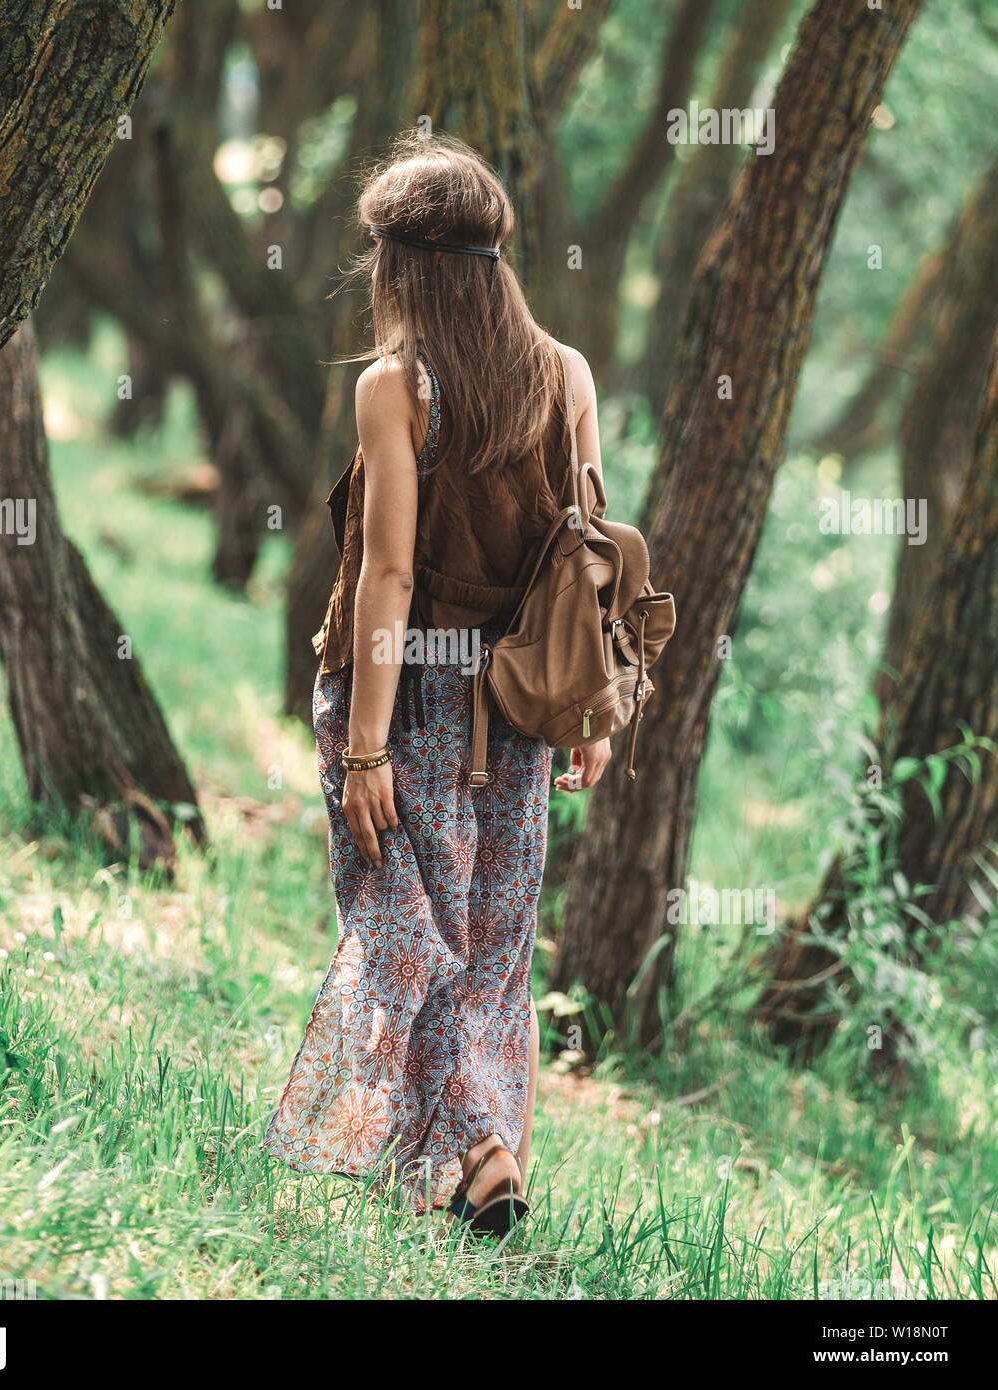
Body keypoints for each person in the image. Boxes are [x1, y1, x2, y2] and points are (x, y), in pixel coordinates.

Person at [264, 133, 612, 1233]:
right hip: (519, 706)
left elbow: (391, 572)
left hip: (412, 695)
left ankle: (472, 1149)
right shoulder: (568, 373)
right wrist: (592, 710)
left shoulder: (397, 386)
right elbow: (589, 547)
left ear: (400, 264)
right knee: (494, 951)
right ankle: (475, 1159)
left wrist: (364, 746)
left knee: (403, 928)